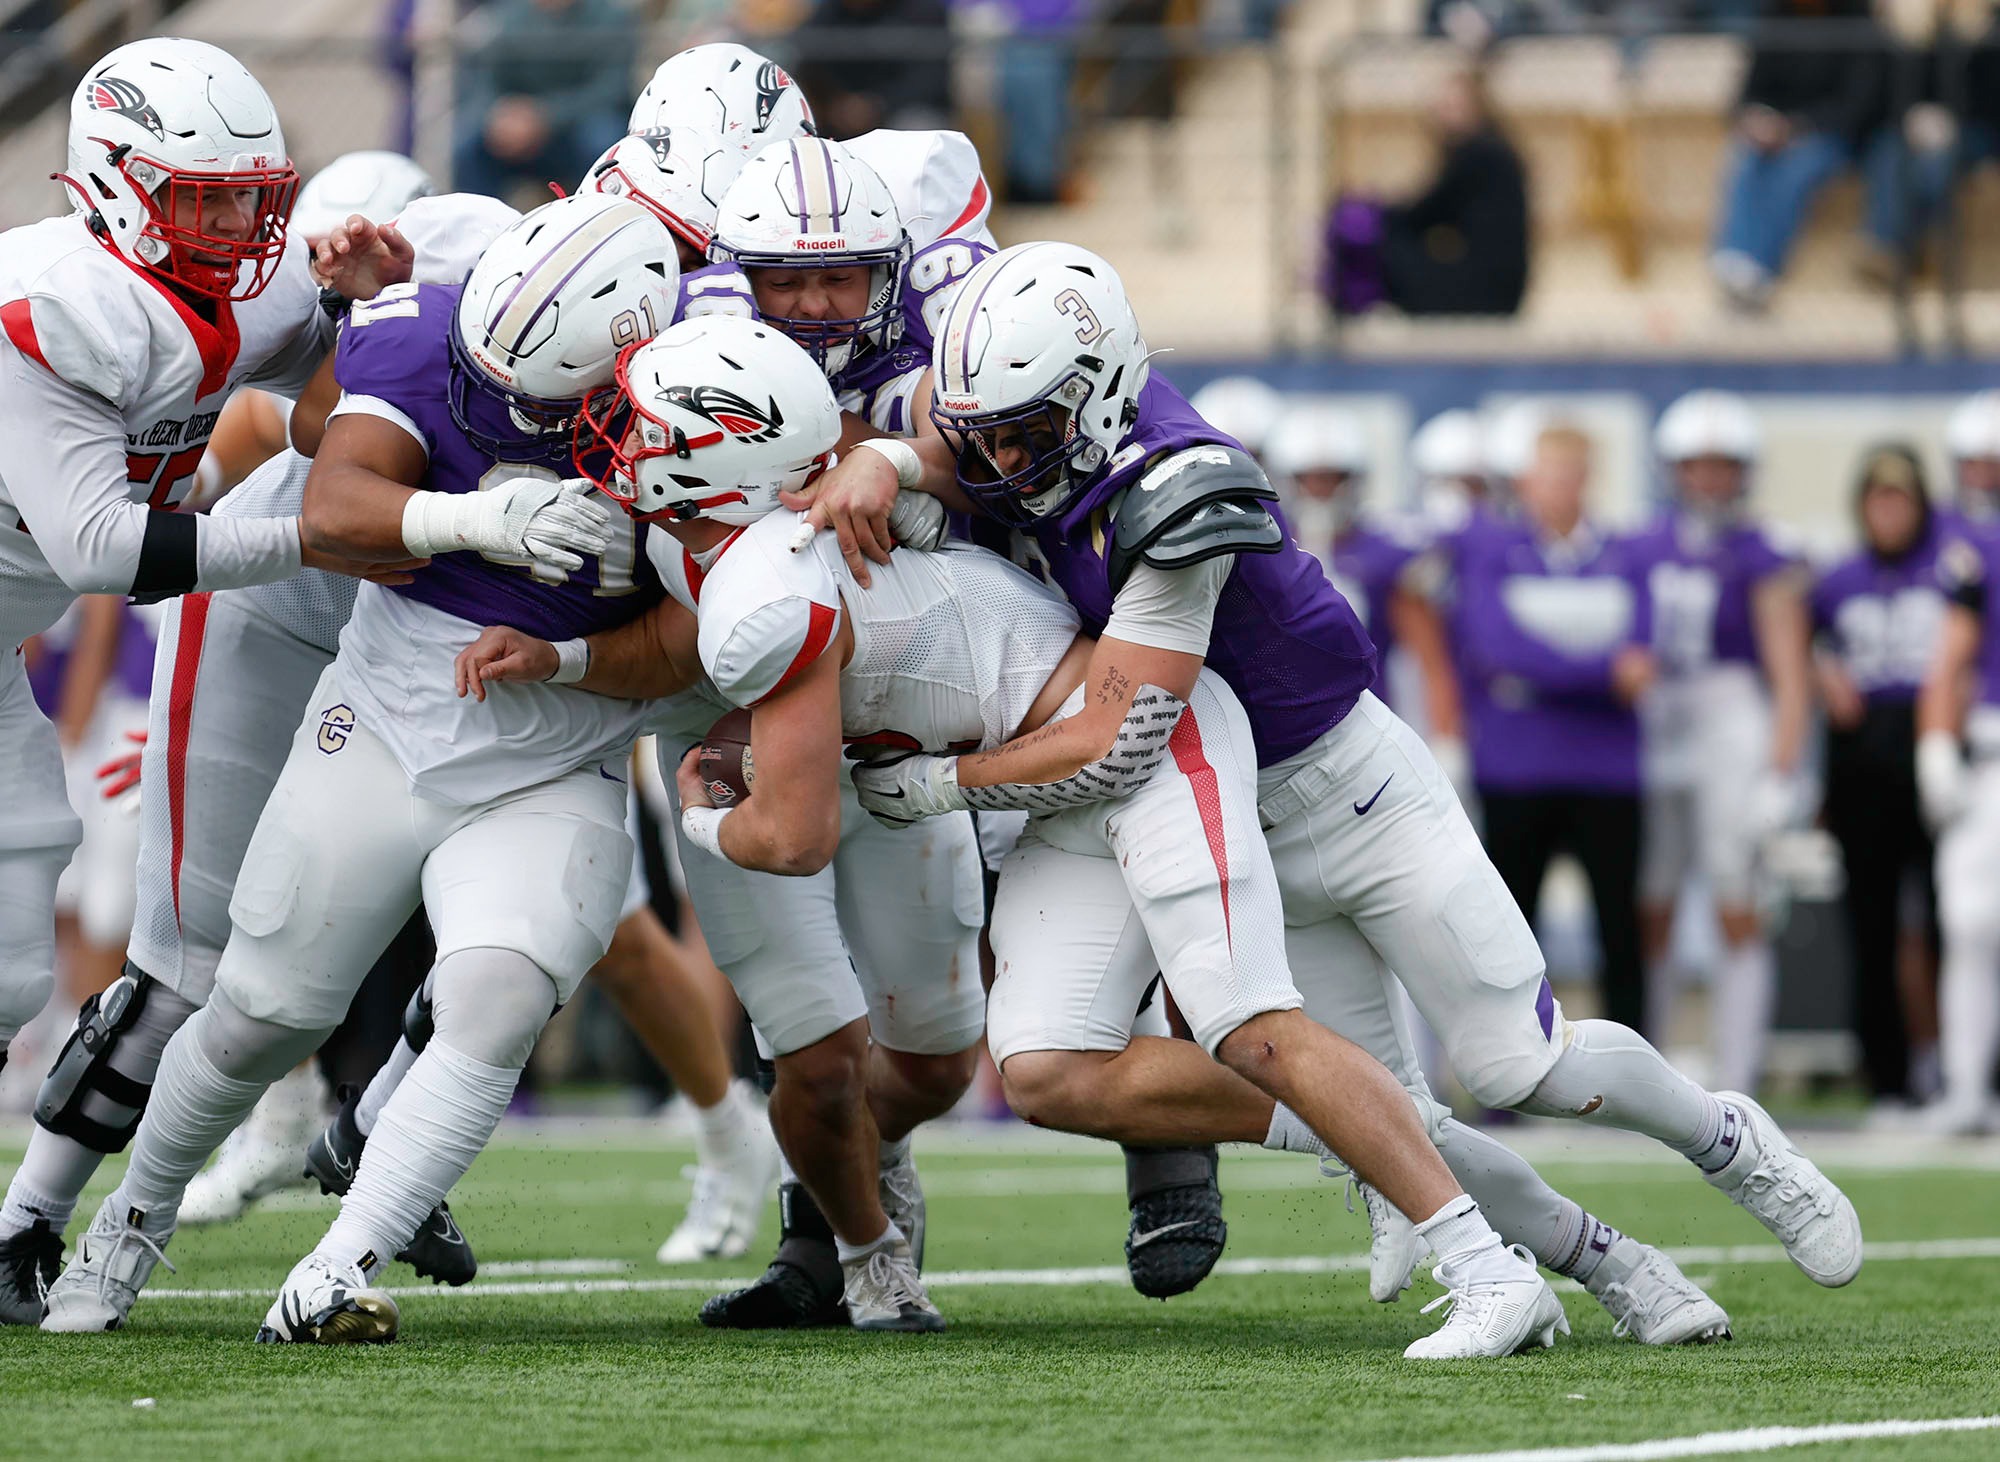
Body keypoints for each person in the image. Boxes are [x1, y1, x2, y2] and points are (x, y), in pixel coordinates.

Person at [468, 310, 1573, 1360]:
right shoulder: (742, 549)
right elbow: (697, 643)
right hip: (1059, 784)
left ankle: (1486, 1261)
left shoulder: (768, 579)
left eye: (653, 431)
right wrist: (570, 661)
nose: (621, 445)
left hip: (1141, 745)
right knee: (1042, 1066)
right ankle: (1530, 1222)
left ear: (726, 460)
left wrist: (709, 823)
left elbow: (796, 834)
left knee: (1251, 1026)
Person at [797, 242, 1863, 1322]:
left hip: (1348, 792)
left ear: (1098, 394)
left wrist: (942, 784)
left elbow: (1119, 733)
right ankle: (1614, 1266)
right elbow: (948, 440)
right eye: (983, 434)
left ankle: (1727, 1141)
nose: (995, 462)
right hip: (1227, 818)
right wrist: (890, 461)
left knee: (1516, 1066)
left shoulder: (1175, 485)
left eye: (1020, 436)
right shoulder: (1023, 414)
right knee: (1387, 1110)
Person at [38, 194, 675, 1340]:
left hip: (560, 739)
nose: (493, 396)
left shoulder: (704, 405)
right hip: (385, 713)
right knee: (261, 1012)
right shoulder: (429, 324)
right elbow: (336, 500)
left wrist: (603, 625)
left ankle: (333, 1267)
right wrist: (472, 522)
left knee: (496, 994)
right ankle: (129, 1220)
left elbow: (712, 646)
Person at [0, 36, 414, 1326]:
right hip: (53, 588)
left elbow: (324, 415)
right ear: (115, 183)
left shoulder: (253, 281)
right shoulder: (54, 299)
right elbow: (105, 549)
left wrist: (365, 325)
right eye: (204, 197)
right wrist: (317, 535)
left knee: (15, 962)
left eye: (250, 195)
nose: (238, 223)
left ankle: (13, 1232)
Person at [1438, 425, 1654, 1036]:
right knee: (1510, 929)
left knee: (1619, 929)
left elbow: (1641, 659)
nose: (1557, 488)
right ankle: (1513, 1068)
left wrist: (1539, 681)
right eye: (1546, 474)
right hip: (1516, 770)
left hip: (1609, 773)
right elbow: (1493, 649)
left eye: (1570, 473)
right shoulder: (1493, 553)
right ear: (1527, 481)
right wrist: (1600, 675)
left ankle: (1637, 1077)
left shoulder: (1627, 556)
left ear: (1589, 479)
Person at [1632, 391, 1814, 1098]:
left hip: (1731, 716)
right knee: (1653, 902)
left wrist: (1781, 767)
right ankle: (1649, 1078)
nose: (1708, 479)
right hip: (1657, 715)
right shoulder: (1643, 544)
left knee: (1737, 899)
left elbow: (1790, 671)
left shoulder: (1763, 551)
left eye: (1722, 465)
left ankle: (1737, 1076)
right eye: (1696, 465)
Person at [1811, 444, 1945, 1109]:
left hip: (1936, 752)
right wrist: (1820, 672)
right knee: (1872, 925)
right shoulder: (1837, 582)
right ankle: (1888, 1076)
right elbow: (1802, 649)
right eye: (1878, 498)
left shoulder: (1953, 570)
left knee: (1957, 921)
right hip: (1863, 763)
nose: (1889, 512)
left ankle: (1957, 1065)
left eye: (1901, 499)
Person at [1916, 456, 2000, 1134]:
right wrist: (1937, 741)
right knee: (1970, 924)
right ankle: (1967, 1087)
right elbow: (1952, 653)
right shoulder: (1972, 548)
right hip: (1990, 749)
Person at [1710, 0, 1886, 310]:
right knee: (1747, 158)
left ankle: (1761, 272)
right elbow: (1747, 93)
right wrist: (1757, 119)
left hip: (1834, 138)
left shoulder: (1859, 20)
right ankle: (1735, 261)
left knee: (1798, 166)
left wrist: (1796, 127)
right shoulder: (1776, 18)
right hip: (1776, 132)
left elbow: (1859, 106)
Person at [1379, 67, 1527, 317]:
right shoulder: (1487, 149)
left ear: (1477, 106)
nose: (1444, 115)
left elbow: (1424, 212)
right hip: (1496, 285)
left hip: (1488, 291)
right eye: (1442, 107)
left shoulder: (1480, 153)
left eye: (1454, 106)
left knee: (1387, 245)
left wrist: (1374, 212)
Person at [453, 0, 635, 203]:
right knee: (469, 145)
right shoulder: (507, 17)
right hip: (519, 129)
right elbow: (486, 80)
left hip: (577, 126)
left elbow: (611, 90)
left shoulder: (611, 17)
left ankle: (601, 219)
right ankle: (482, 226)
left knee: (603, 139)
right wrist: (501, 114)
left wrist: (546, 115)